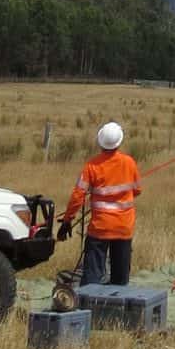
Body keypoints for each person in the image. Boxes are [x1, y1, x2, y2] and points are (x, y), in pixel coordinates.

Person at [57, 120, 142, 287]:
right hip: (124, 227)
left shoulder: (91, 166)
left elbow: (77, 196)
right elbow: (137, 190)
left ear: (100, 141)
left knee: (92, 278)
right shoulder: (129, 162)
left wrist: (67, 221)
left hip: (99, 229)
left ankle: (89, 301)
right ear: (119, 142)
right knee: (120, 279)